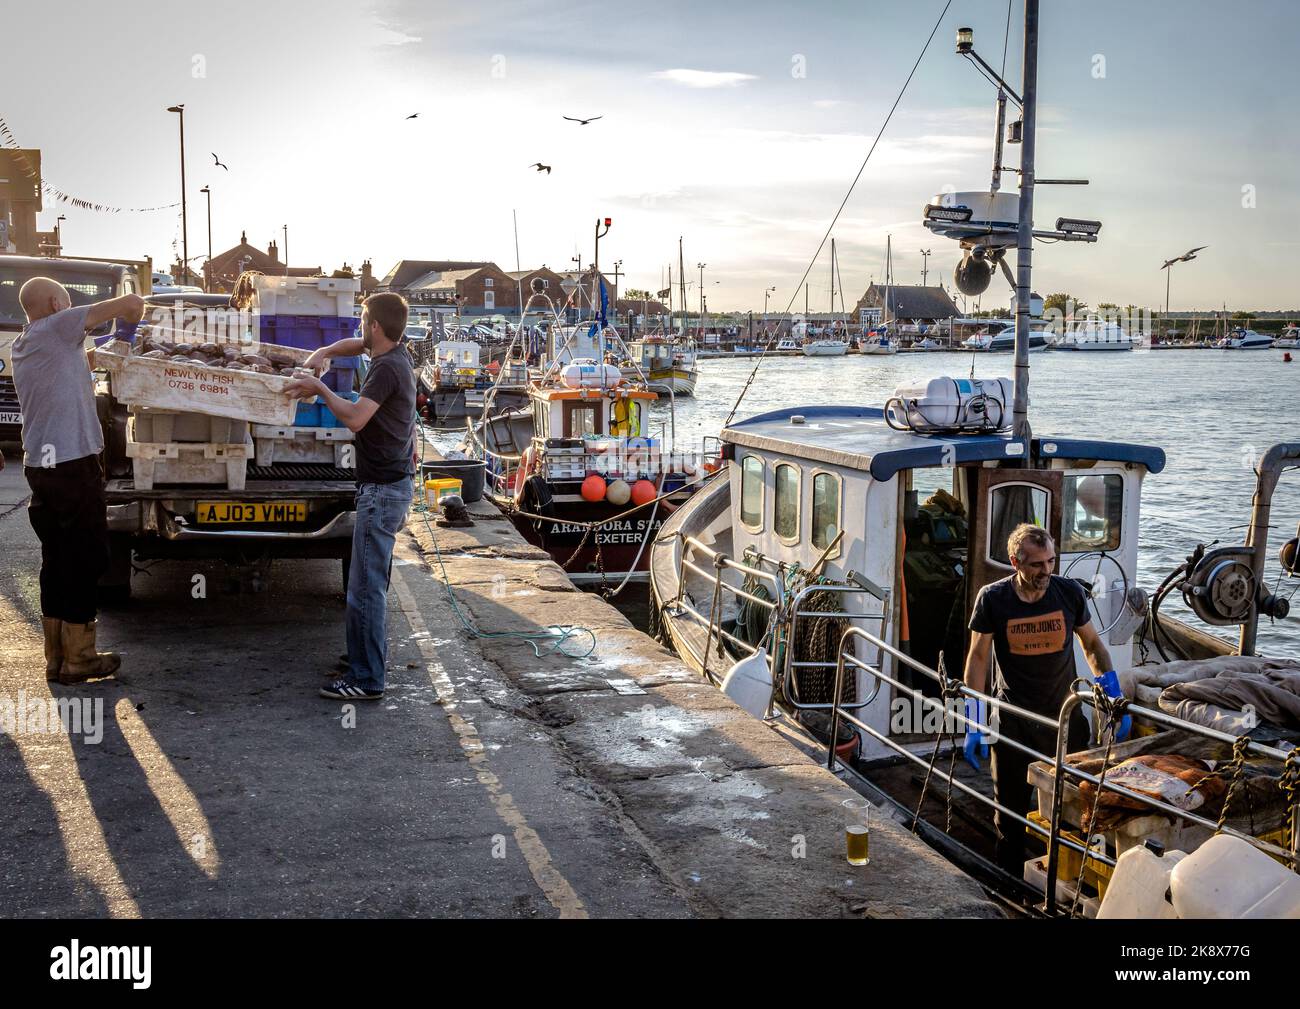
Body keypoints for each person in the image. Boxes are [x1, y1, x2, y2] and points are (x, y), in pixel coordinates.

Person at [963, 522, 1116, 876]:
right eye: (1036, 564)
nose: (1046, 571)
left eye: (1051, 561)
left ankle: (1066, 881)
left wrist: (1112, 692)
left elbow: (1092, 645)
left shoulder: (1069, 594)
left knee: (1073, 806)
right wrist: (972, 716)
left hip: (1063, 720)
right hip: (1012, 720)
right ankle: (1009, 880)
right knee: (1010, 811)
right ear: (1015, 562)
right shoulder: (993, 598)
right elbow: (978, 658)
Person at [12, 277, 144, 684]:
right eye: (67, 301)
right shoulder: (57, 324)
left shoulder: (28, 343)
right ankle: (81, 657)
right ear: (55, 303)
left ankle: (58, 658)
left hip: (41, 466)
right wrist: (128, 324)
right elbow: (132, 301)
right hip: (72, 465)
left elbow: (80, 363)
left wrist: (109, 351)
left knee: (56, 559)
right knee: (87, 557)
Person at [286, 292, 416, 701]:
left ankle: (367, 678)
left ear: (375, 325)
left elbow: (358, 419)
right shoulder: (394, 352)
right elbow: (352, 345)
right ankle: (362, 659)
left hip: (381, 492)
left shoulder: (386, 370)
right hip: (390, 486)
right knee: (367, 584)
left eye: (363, 320)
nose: (360, 327)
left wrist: (319, 388)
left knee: (364, 589)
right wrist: (324, 351)